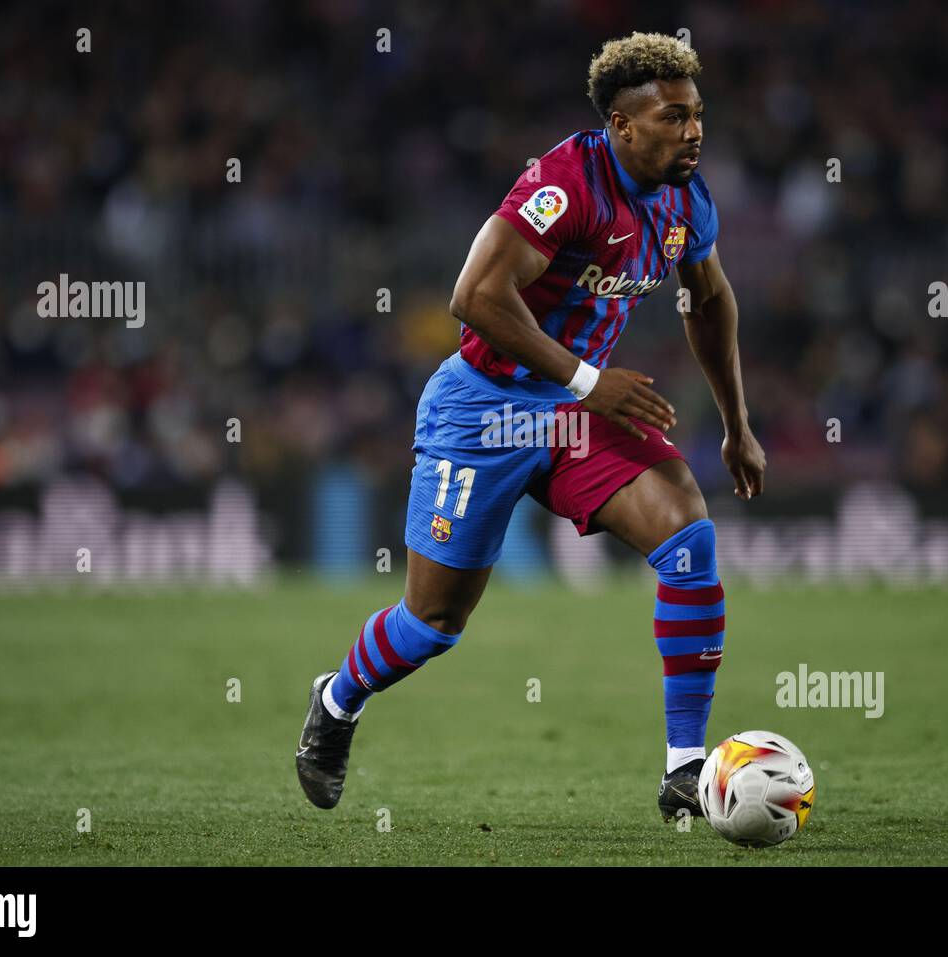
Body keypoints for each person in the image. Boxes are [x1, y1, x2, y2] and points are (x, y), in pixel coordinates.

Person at [297, 31, 765, 821]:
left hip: (577, 418)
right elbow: (474, 294)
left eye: (698, 116)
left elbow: (710, 299)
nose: (694, 132)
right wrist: (587, 378)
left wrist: (737, 424)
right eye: (675, 117)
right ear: (622, 125)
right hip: (484, 409)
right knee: (434, 622)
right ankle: (338, 699)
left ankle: (686, 765)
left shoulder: (688, 199)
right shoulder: (563, 184)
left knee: (688, 534)